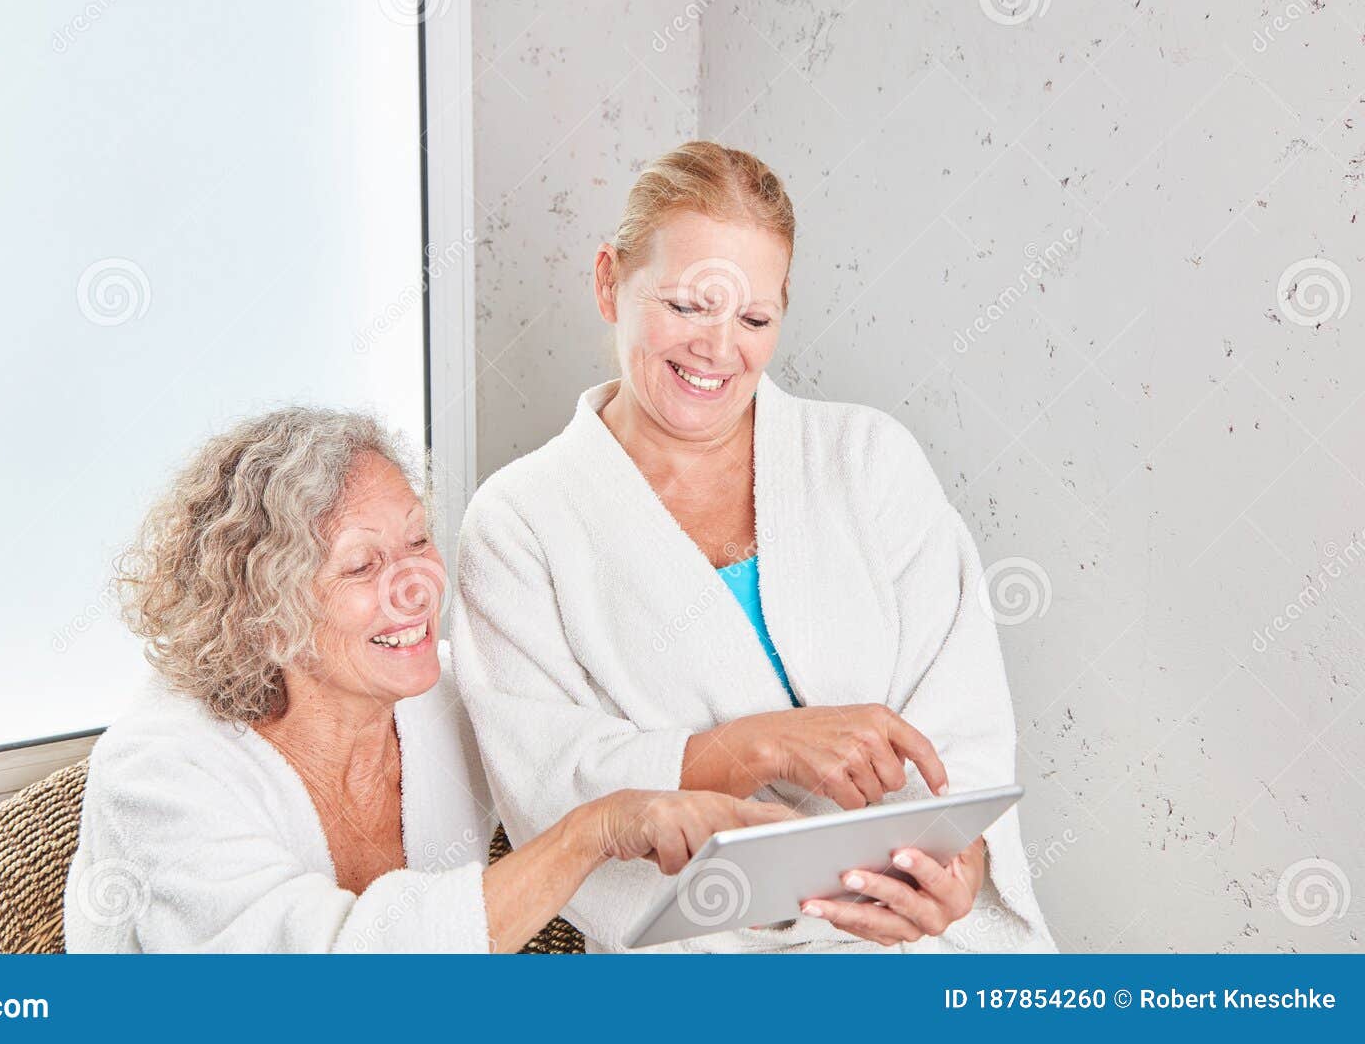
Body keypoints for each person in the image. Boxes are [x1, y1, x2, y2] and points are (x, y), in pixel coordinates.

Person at [452, 141, 1057, 953]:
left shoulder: (868, 461)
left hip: (914, 945)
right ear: (608, 280)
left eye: (753, 318)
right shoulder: (519, 521)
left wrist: (959, 868)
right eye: (688, 304)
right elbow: (548, 782)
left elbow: (964, 722)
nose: (717, 347)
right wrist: (748, 745)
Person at [63, 407, 792, 952]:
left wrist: (764, 856)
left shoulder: (440, 701)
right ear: (266, 618)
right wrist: (591, 833)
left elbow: (581, 753)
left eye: (416, 540)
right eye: (361, 564)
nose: (417, 586)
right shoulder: (158, 770)